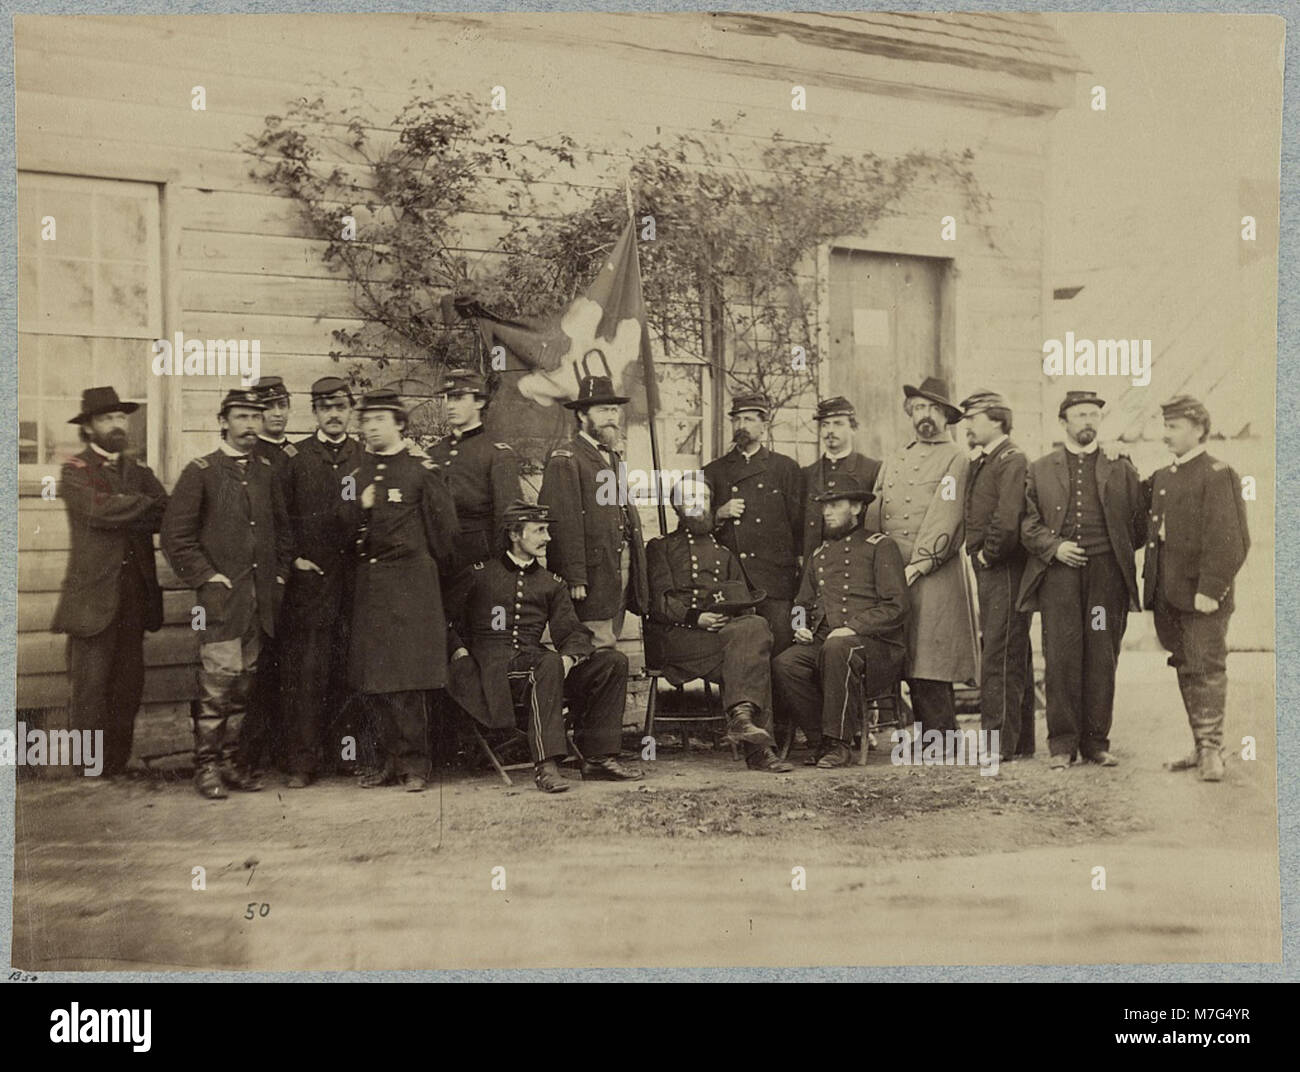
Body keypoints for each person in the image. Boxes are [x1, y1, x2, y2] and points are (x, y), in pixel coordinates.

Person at [446, 501, 642, 793]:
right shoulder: (479, 574)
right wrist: (459, 653)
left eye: (547, 531)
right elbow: (444, 620)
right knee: (547, 663)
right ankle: (546, 766)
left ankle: (598, 757)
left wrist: (571, 658)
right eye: (539, 531)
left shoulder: (551, 583)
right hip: (491, 671)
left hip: (535, 666)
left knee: (612, 662)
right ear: (515, 534)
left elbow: (572, 631)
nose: (547, 538)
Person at [161, 389, 292, 799]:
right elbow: (175, 537)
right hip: (220, 605)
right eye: (241, 416)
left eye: (256, 416)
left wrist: (280, 576)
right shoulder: (201, 472)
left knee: (244, 688)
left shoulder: (267, 472)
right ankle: (207, 768)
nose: (250, 424)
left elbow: (283, 533)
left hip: (259, 604)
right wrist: (208, 577)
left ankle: (232, 763)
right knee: (216, 688)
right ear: (223, 422)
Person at [1019, 390, 1146, 770]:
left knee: (1101, 653)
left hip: (1104, 580)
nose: (1088, 421)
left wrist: (1108, 551)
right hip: (1059, 578)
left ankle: (1096, 742)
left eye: (1093, 414)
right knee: (1061, 654)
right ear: (1064, 423)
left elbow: (1137, 525)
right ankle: (1061, 744)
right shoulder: (1040, 469)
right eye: (1080, 415)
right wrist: (1055, 548)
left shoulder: (1120, 467)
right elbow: (1027, 524)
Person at [340, 389, 459, 792]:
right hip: (371, 585)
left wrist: (419, 569)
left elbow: (446, 535)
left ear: (399, 424)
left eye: (380, 420)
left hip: (411, 584)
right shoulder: (356, 474)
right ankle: (386, 762)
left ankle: (414, 766)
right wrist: (361, 506)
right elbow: (337, 527)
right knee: (373, 678)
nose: (371, 428)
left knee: (408, 679)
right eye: (367, 421)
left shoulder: (423, 470)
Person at [51, 386, 168, 779]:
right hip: (92, 599)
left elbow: (164, 512)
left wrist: (131, 507)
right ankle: (89, 771)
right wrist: (139, 506)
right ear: (88, 427)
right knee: (90, 690)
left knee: (127, 687)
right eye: (106, 418)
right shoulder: (74, 470)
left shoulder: (139, 471)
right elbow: (96, 511)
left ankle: (116, 764)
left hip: (134, 596)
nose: (117, 424)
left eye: (121, 417)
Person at [643, 477, 791, 773]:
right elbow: (656, 602)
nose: (697, 503)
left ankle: (744, 721)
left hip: (720, 641)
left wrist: (728, 615)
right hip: (678, 639)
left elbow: (742, 600)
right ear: (677, 506)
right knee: (751, 653)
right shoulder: (661, 548)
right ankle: (757, 747)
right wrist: (696, 617)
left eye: (703, 497)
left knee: (754, 627)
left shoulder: (725, 554)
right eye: (689, 498)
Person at [1143, 395, 1249, 782]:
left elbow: (1231, 540)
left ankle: (1211, 749)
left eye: (1174, 427)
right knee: (1186, 667)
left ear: (1199, 429)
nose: (1165, 434)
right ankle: (1199, 743)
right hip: (1168, 595)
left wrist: (1211, 588)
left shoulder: (1218, 473)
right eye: (1165, 426)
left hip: (1202, 596)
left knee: (1206, 668)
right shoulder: (1165, 476)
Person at [866, 377, 977, 737]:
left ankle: (943, 739)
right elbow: (876, 507)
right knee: (904, 654)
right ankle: (918, 735)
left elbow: (947, 512)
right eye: (917, 409)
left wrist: (921, 562)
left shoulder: (956, 458)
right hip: (892, 572)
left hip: (933, 573)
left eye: (932, 408)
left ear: (946, 415)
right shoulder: (897, 457)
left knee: (931, 659)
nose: (924, 416)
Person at [773, 474, 909, 767]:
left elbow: (896, 606)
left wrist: (852, 628)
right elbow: (801, 603)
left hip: (876, 647)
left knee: (839, 648)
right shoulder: (819, 555)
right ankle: (820, 740)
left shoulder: (880, 546)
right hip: (826, 642)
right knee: (786, 663)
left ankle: (839, 743)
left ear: (858, 507)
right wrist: (800, 627)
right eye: (824, 506)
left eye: (835, 505)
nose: (827, 512)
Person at [278, 376, 364, 787]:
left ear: (351, 410)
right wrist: (293, 559)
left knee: (350, 668)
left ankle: (345, 756)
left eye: (341, 406)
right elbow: (279, 519)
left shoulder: (364, 456)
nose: (333, 414)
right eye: (325, 407)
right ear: (314, 412)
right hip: (311, 584)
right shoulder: (295, 458)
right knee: (307, 674)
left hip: (355, 583)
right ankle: (302, 763)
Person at [537, 363, 648, 649]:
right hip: (591, 573)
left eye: (614, 410)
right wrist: (575, 576)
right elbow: (562, 524)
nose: (612, 417)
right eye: (602, 411)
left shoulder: (612, 457)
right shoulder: (567, 459)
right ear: (582, 415)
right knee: (593, 645)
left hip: (618, 566)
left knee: (611, 633)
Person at [960, 389, 1031, 760]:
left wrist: (988, 553)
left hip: (1003, 567)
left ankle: (997, 743)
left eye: (974, 418)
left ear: (998, 420)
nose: (968, 425)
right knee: (1011, 649)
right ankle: (1018, 742)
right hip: (992, 567)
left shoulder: (1011, 458)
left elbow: (1008, 517)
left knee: (1000, 652)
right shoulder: (988, 459)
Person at [703, 392, 803, 655]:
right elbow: (696, 525)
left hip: (775, 580)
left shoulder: (785, 468)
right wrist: (719, 514)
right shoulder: (714, 471)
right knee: (738, 653)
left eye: (748, 419)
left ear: (764, 425)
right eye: (737, 420)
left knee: (780, 650)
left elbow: (799, 524)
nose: (741, 425)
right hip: (735, 581)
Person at [428, 368, 521, 581]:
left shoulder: (497, 454)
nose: (451, 405)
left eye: (459, 398)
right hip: (439, 560)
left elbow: (507, 519)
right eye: (449, 398)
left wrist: (500, 571)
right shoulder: (434, 453)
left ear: (479, 402)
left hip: (479, 560)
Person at [800, 396, 881, 561]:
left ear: (853, 428)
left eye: (838, 423)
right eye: (825, 425)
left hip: (853, 565)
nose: (830, 431)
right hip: (815, 565)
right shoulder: (807, 473)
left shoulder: (872, 470)